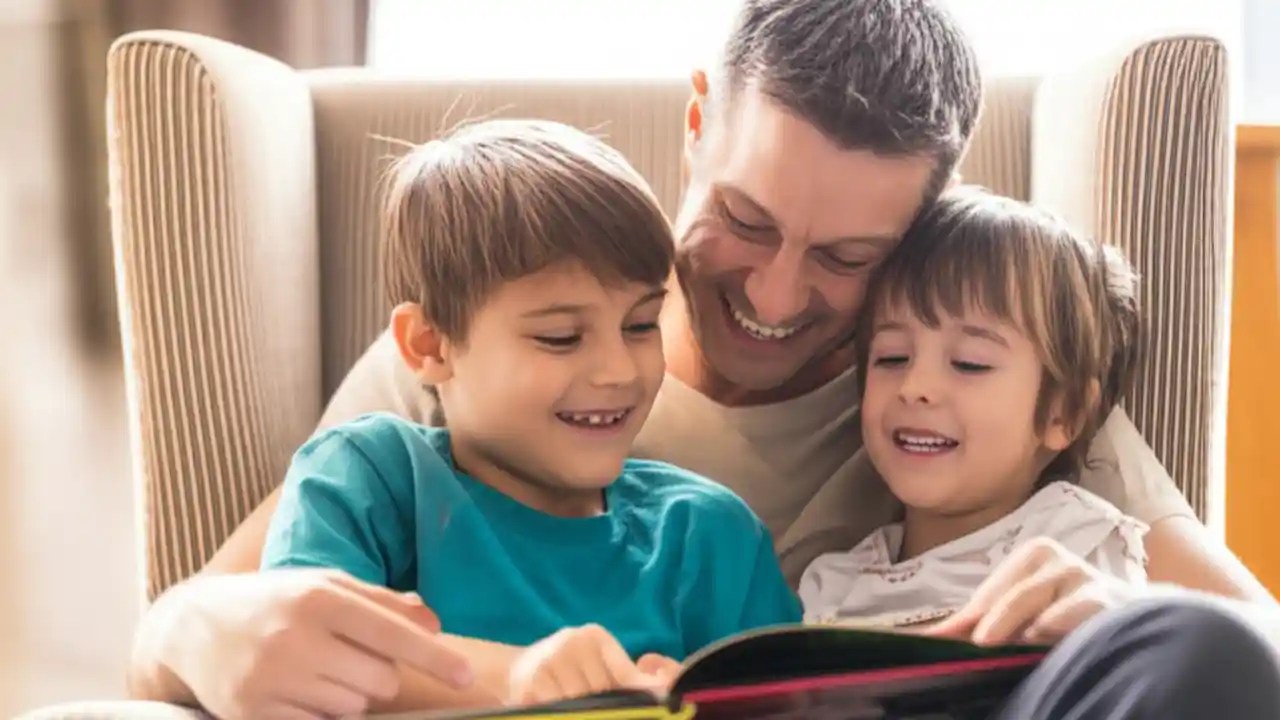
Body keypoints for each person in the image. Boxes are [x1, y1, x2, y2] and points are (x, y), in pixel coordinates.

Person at [122, 1, 1279, 719]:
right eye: (747, 217)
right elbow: (208, 609)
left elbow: (1241, 646)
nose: (775, 296)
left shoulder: (964, 348)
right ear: (694, 125)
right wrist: (189, 631)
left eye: (844, 257)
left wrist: (1109, 611)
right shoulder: (481, 341)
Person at [257, 118, 801, 712]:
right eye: (562, 337)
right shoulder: (373, 481)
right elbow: (297, 658)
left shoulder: (710, 537)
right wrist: (516, 680)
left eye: (641, 325)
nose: (619, 370)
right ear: (431, 346)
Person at [800, 188, 1149, 629]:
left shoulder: (1077, 539)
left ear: (1065, 413)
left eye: (969, 363)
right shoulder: (834, 584)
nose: (915, 387)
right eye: (891, 357)